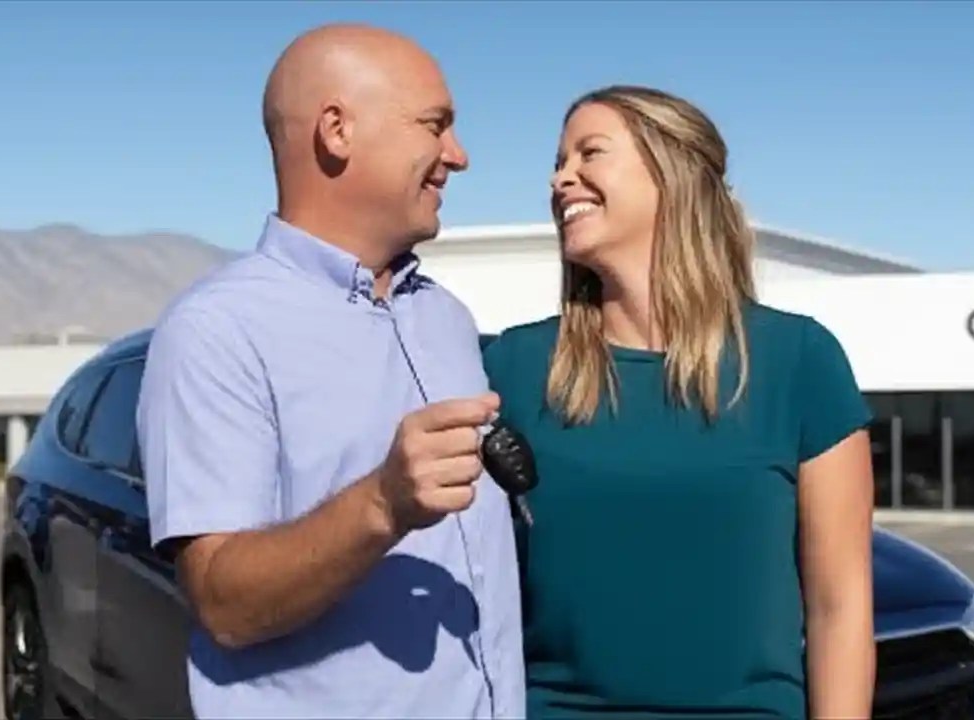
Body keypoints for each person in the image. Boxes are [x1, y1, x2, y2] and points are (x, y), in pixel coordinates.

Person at [136, 23, 524, 720]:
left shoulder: (449, 320)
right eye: (435, 125)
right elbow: (223, 603)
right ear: (337, 131)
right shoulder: (217, 330)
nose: (458, 157)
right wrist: (383, 503)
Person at [482, 85, 876, 719]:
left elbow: (840, 605)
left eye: (590, 153)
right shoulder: (513, 367)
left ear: (673, 174)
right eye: (557, 163)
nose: (562, 179)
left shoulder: (799, 360)